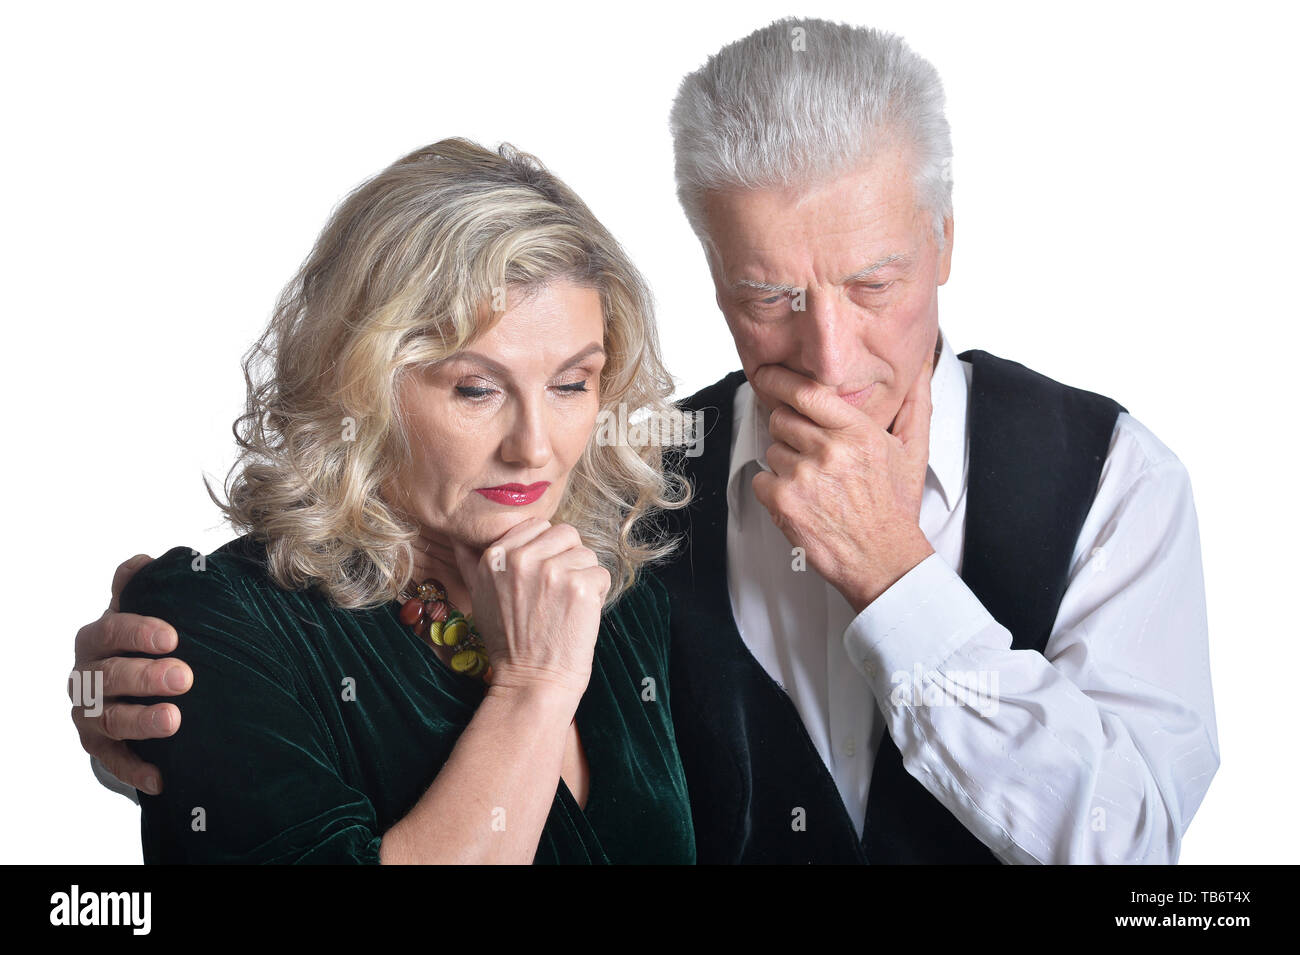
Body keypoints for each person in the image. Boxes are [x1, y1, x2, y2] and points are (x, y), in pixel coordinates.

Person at [73, 19, 1219, 864]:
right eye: (767, 295)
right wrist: (144, 690)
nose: (827, 355)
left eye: (875, 282)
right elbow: (322, 638)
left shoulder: (1113, 479)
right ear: (712, 282)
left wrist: (898, 581)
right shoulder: (622, 473)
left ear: (946, 240)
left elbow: (1136, 856)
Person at [78, 136, 695, 863]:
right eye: (477, 388)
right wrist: (532, 689)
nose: (534, 446)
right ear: (361, 382)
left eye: (570, 384)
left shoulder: (626, 585)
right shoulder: (217, 620)